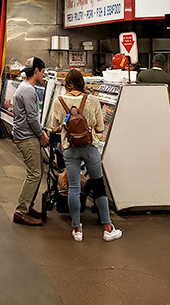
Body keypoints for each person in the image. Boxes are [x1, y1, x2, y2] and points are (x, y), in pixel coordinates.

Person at [48, 69, 122, 242]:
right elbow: (99, 128)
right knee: (98, 185)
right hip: (90, 148)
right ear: (82, 82)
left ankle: (77, 228)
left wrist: (65, 128)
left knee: (74, 187)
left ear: (67, 83)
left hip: (70, 149)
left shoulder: (59, 101)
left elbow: (53, 127)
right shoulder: (93, 100)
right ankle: (108, 228)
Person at [12, 56, 49, 227]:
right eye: (42, 71)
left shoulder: (25, 87)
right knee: (34, 173)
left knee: (38, 171)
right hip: (26, 136)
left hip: (26, 134)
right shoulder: (28, 90)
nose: (43, 74)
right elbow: (32, 118)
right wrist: (42, 135)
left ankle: (28, 206)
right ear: (36, 71)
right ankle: (21, 211)